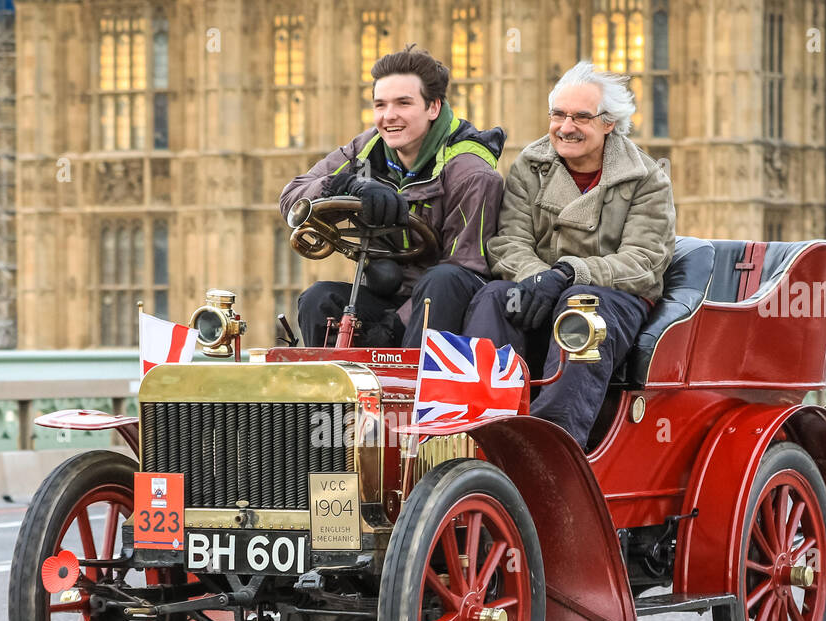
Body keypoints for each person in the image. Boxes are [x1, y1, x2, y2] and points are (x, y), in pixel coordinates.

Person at [463, 60, 675, 446]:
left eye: (581, 117)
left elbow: (642, 262)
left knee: (581, 308)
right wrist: (536, 279)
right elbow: (509, 241)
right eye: (558, 115)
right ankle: (479, 427)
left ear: (608, 123)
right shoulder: (531, 164)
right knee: (493, 296)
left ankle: (552, 445)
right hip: (539, 285)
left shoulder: (646, 177)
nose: (565, 127)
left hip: (612, 299)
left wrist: (564, 274)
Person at [279, 45, 506, 348]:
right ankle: (338, 390)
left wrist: (396, 325)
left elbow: (466, 269)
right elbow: (292, 197)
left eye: (403, 103)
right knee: (319, 299)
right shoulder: (367, 149)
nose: (389, 116)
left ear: (433, 107)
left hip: (451, 308)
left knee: (442, 281)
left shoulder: (471, 172)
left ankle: (414, 390)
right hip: (389, 293)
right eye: (380, 105)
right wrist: (347, 184)